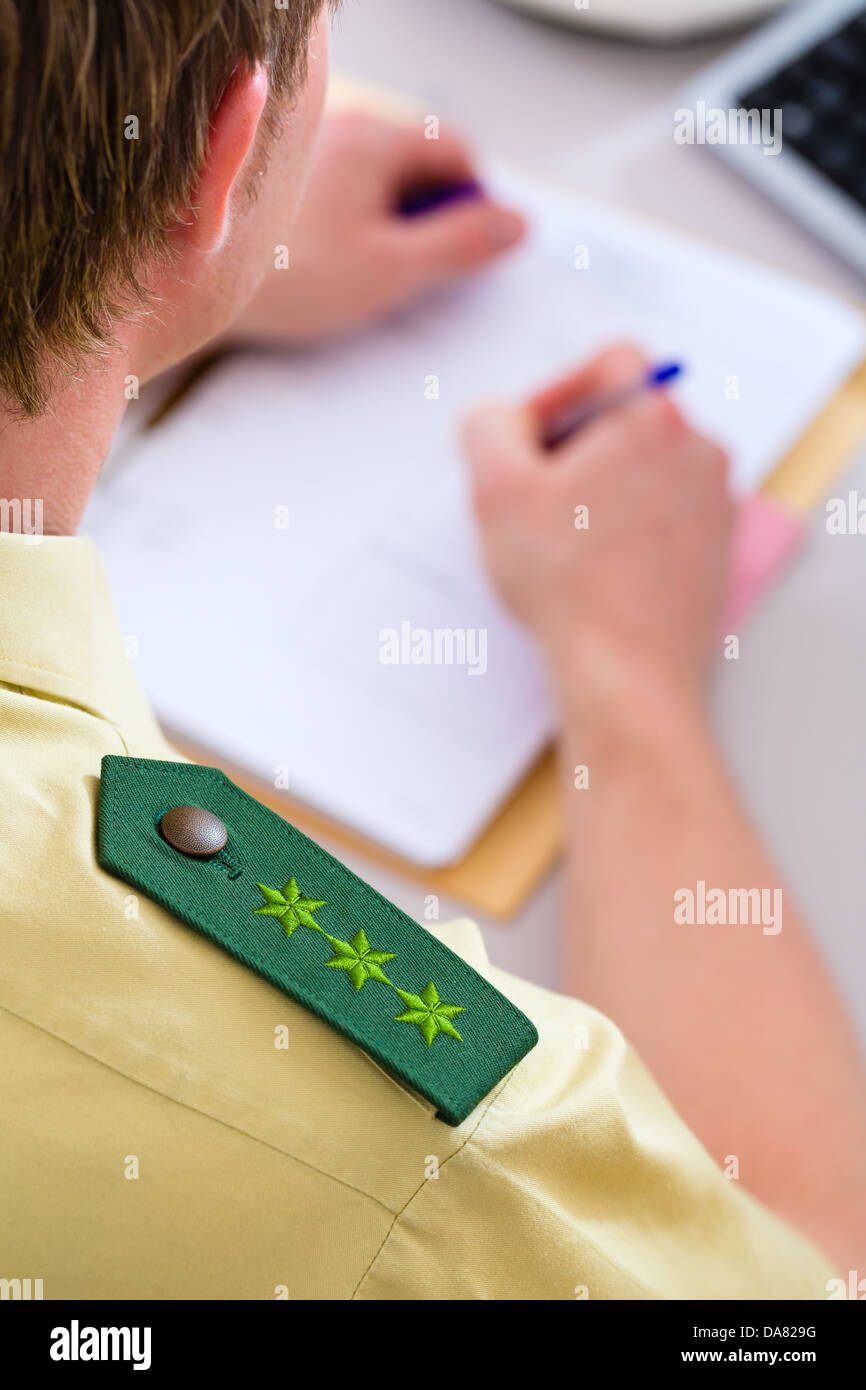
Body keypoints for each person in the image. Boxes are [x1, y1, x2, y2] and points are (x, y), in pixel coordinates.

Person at [0, 0, 863, 1300]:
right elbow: (799, 1292)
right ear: (223, 155)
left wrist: (111, 272)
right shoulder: (431, 1155)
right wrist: (626, 677)